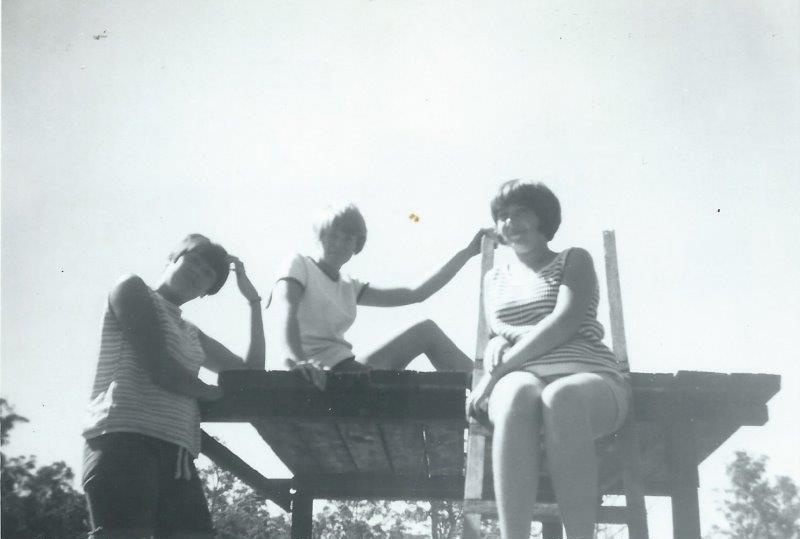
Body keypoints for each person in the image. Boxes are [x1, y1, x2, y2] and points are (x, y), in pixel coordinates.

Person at [466, 180, 630, 539]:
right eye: (502, 216)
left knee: (562, 398)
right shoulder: (494, 278)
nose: (510, 223)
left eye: (521, 212)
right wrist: (496, 347)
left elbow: (565, 320)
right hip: (520, 376)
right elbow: (502, 331)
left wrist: (497, 371)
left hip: (587, 376)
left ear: (544, 218)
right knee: (514, 396)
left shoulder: (574, 259)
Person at [81, 234, 264, 539]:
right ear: (172, 259)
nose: (198, 273)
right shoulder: (132, 288)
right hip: (124, 441)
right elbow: (161, 369)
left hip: (178, 455)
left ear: (208, 291)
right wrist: (212, 392)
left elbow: (251, 374)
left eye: (209, 274)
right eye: (194, 261)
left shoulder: (191, 333)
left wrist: (254, 301)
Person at [267, 202, 486, 384]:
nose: (339, 244)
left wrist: (467, 253)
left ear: (357, 245)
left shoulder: (348, 286)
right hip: (313, 370)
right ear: (321, 237)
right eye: (333, 236)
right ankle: (489, 389)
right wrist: (296, 361)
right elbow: (287, 311)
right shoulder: (299, 264)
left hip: (346, 369)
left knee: (425, 331)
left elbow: (415, 293)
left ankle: (486, 387)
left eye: (348, 238)